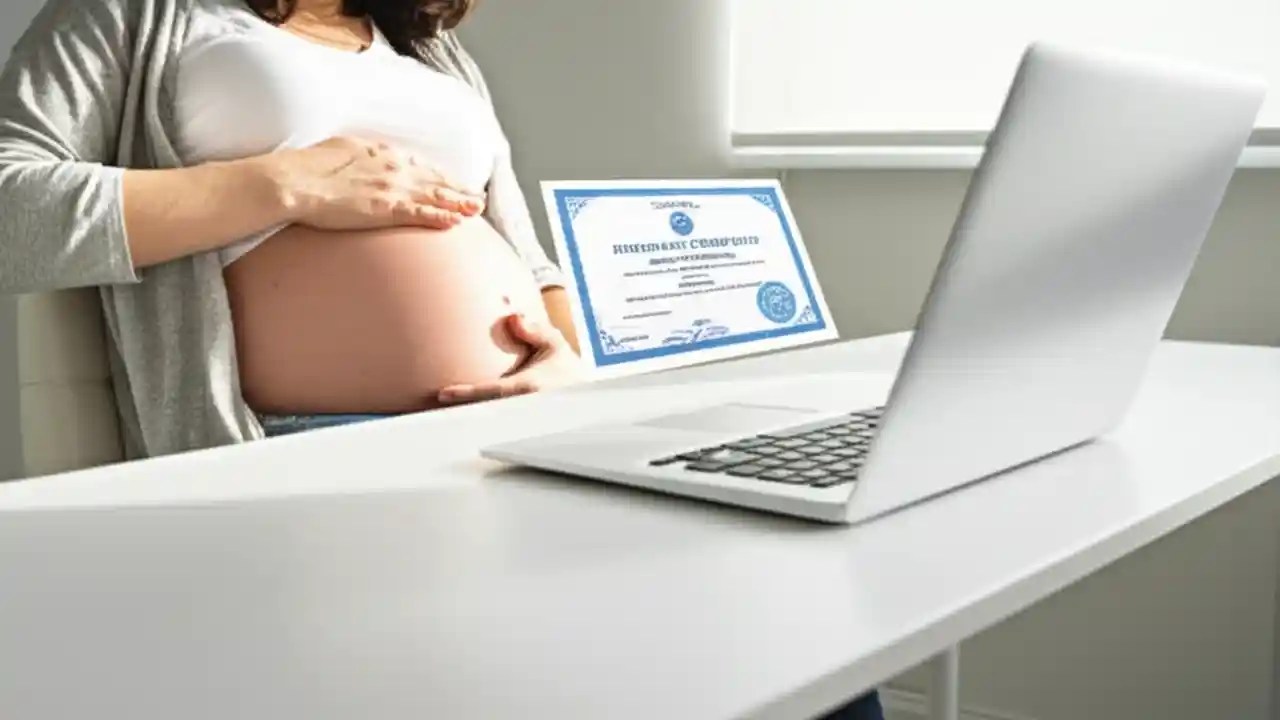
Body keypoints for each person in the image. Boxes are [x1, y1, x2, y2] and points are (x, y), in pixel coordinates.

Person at [0, 0, 882, 715]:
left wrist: (574, 373)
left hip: (531, 434)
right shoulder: (132, 16)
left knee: (797, 617)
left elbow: (522, 256)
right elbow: (11, 209)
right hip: (318, 449)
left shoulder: (428, 53)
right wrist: (287, 182)